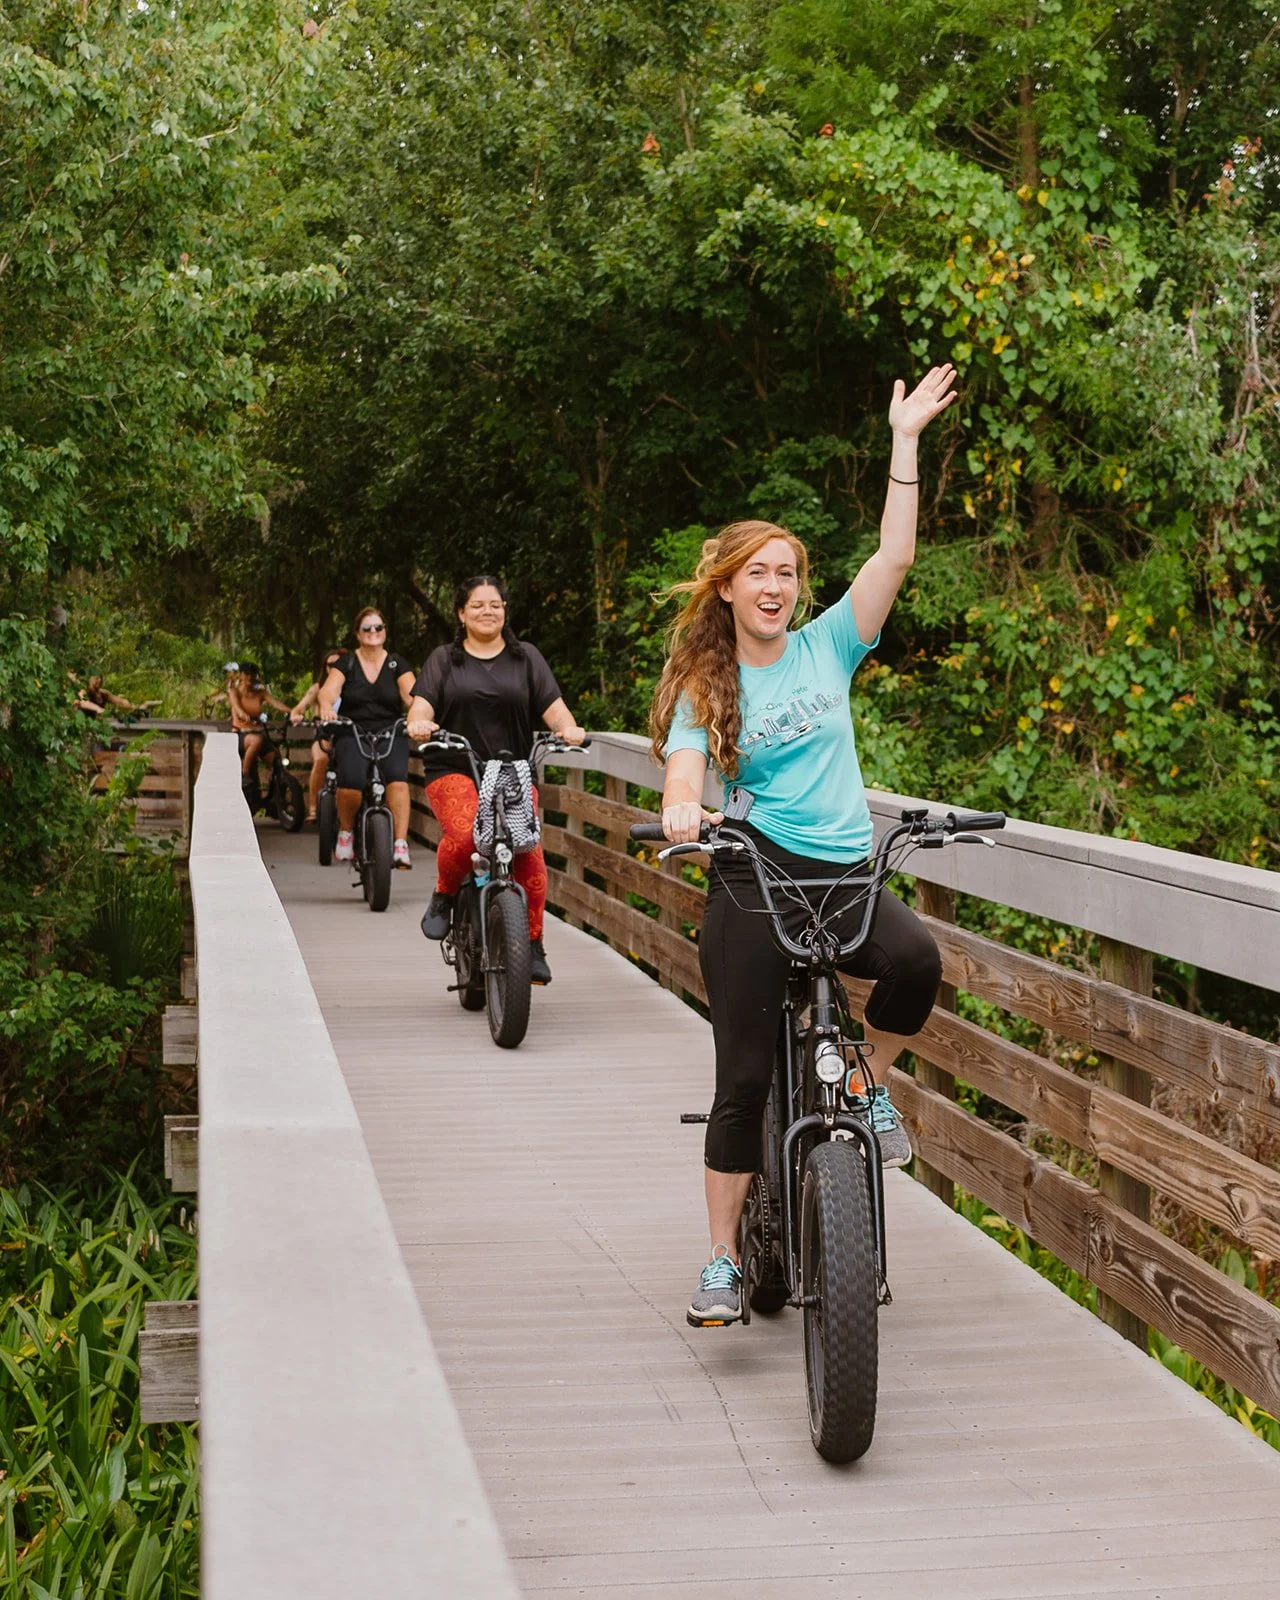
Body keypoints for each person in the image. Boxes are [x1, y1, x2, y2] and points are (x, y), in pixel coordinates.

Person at [650, 364, 957, 1327]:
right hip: (750, 883)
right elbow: (685, 771)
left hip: (842, 877)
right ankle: (719, 1264)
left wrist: (904, 442)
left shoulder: (831, 644)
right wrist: (683, 809)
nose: (776, 587)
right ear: (729, 589)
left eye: (787, 573)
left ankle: (865, 1081)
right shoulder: (708, 682)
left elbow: (895, 559)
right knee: (741, 1078)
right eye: (759, 574)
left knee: (916, 962)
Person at [406, 575, 586, 986]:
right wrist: (419, 723)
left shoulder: (527, 658)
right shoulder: (444, 660)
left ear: (505, 610)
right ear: (461, 613)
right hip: (454, 766)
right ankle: (444, 895)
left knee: (530, 856)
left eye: (496, 604)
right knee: (469, 834)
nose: (488, 611)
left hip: (513, 771)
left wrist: (568, 729)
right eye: (478, 605)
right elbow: (421, 708)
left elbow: (555, 709)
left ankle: (534, 945)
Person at [317, 608, 416, 867]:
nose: (374, 632)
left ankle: (399, 844)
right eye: (367, 629)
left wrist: (419, 714)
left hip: (390, 730)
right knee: (349, 781)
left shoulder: (396, 663)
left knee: (398, 780)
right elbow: (328, 691)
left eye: (378, 628)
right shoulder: (347, 663)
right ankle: (346, 831)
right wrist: (327, 708)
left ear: (385, 631)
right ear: (357, 634)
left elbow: (411, 696)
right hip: (353, 730)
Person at [290, 648, 345, 822]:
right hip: (324, 733)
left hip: (347, 733)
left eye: (338, 665)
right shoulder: (318, 688)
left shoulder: (353, 687)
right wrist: (296, 714)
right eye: (330, 665)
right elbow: (299, 707)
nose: (333, 668)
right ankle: (313, 808)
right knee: (321, 760)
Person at [228, 663, 294, 808]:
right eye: (246, 673)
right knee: (256, 740)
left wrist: (293, 712)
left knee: (277, 761)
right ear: (240, 675)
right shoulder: (235, 692)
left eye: (253, 673)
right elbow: (236, 705)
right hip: (241, 735)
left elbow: (276, 703)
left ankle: (276, 799)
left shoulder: (260, 693)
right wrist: (242, 713)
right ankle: (244, 774)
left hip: (258, 734)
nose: (250, 676)